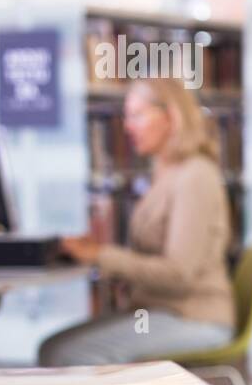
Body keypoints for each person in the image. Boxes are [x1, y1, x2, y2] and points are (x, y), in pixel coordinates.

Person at [38, 77, 234, 366]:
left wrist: (101, 256)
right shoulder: (165, 174)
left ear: (170, 117)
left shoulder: (195, 177)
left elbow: (179, 275)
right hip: (158, 312)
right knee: (52, 347)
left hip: (194, 317)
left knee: (64, 353)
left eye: (137, 115)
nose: (127, 126)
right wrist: (94, 252)